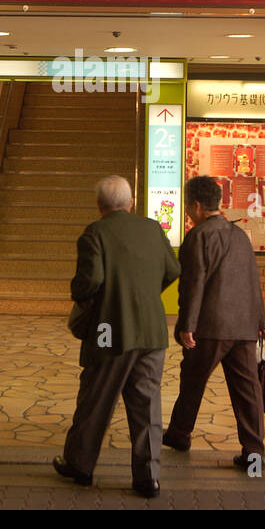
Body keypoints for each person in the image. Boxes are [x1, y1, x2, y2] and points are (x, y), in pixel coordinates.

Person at [54, 175, 180, 498]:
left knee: (96, 398)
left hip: (109, 331)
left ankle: (80, 466)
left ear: (99, 205)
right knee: (147, 404)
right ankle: (148, 478)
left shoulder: (95, 233)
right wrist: (146, 293)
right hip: (152, 331)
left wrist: (81, 294)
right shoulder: (153, 229)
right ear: (131, 201)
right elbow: (173, 270)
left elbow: (90, 280)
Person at [163, 175, 265, 471]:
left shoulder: (198, 236)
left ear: (197, 205)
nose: (187, 211)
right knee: (247, 389)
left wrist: (187, 325)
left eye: (187, 205)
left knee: (193, 380)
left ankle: (180, 434)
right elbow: (253, 280)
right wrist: (260, 321)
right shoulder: (239, 235)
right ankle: (254, 452)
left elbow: (193, 284)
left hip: (211, 326)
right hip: (245, 326)